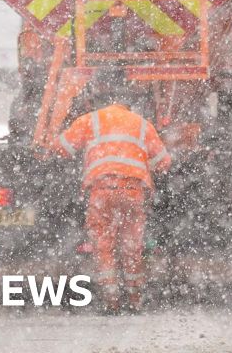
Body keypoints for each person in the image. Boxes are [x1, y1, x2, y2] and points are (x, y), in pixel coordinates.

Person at [52, 68, 171, 313]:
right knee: (131, 245)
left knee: (103, 244)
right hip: (133, 192)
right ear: (128, 105)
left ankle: (112, 300)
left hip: (101, 191)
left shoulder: (91, 120)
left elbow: (61, 148)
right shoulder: (142, 125)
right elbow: (164, 162)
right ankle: (135, 300)